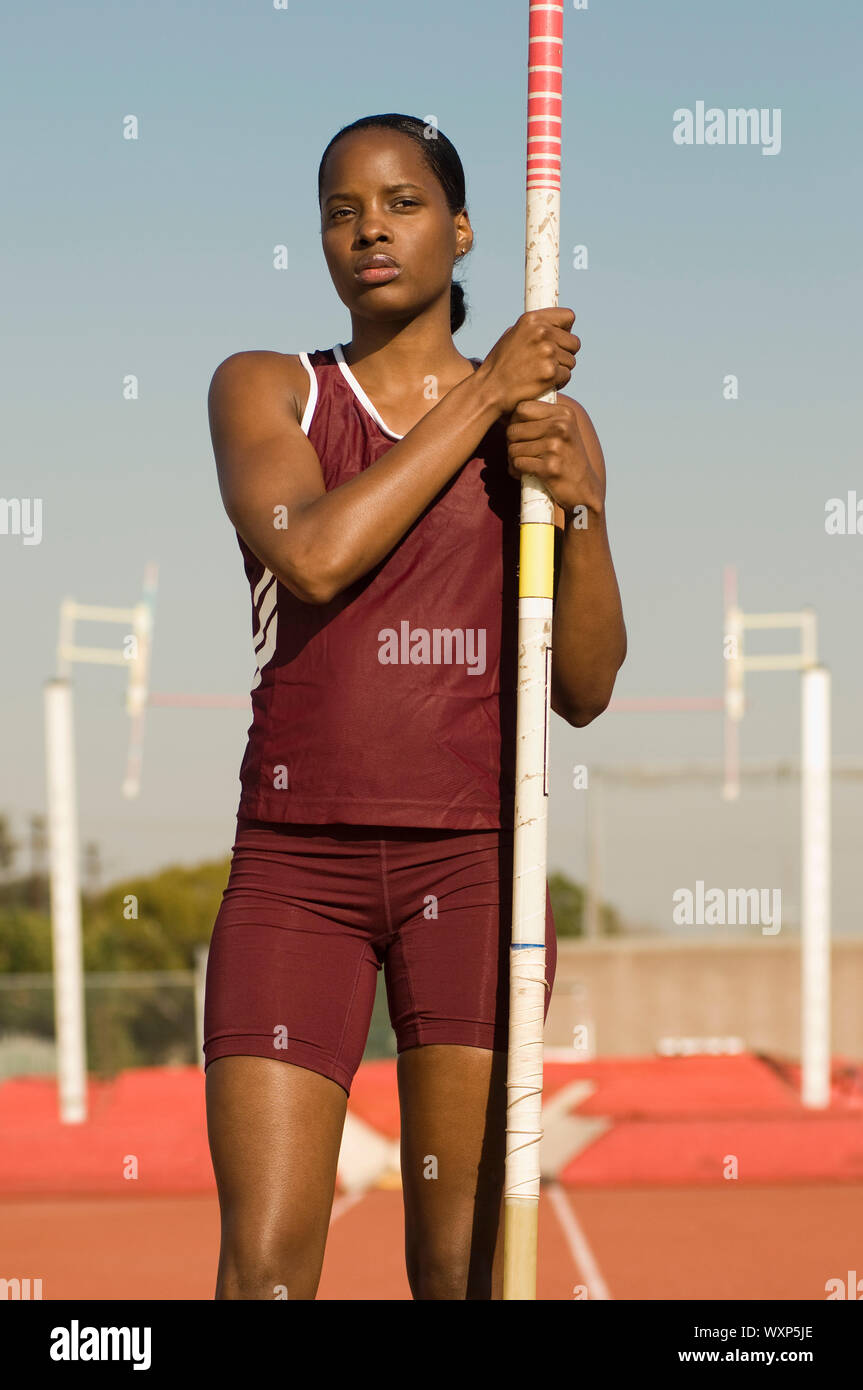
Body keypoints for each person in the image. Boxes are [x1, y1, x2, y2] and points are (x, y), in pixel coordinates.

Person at [203, 112, 626, 1301]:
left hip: (474, 869)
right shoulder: (266, 388)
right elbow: (317, 554)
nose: (368, 229)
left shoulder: (545, 431)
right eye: (341, 210)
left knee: (460, 1268)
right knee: (268, 1268)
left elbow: (585, 691)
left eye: (398, 202)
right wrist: (489, 388)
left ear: (462, 229)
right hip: (295, 871)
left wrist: (580, 505)